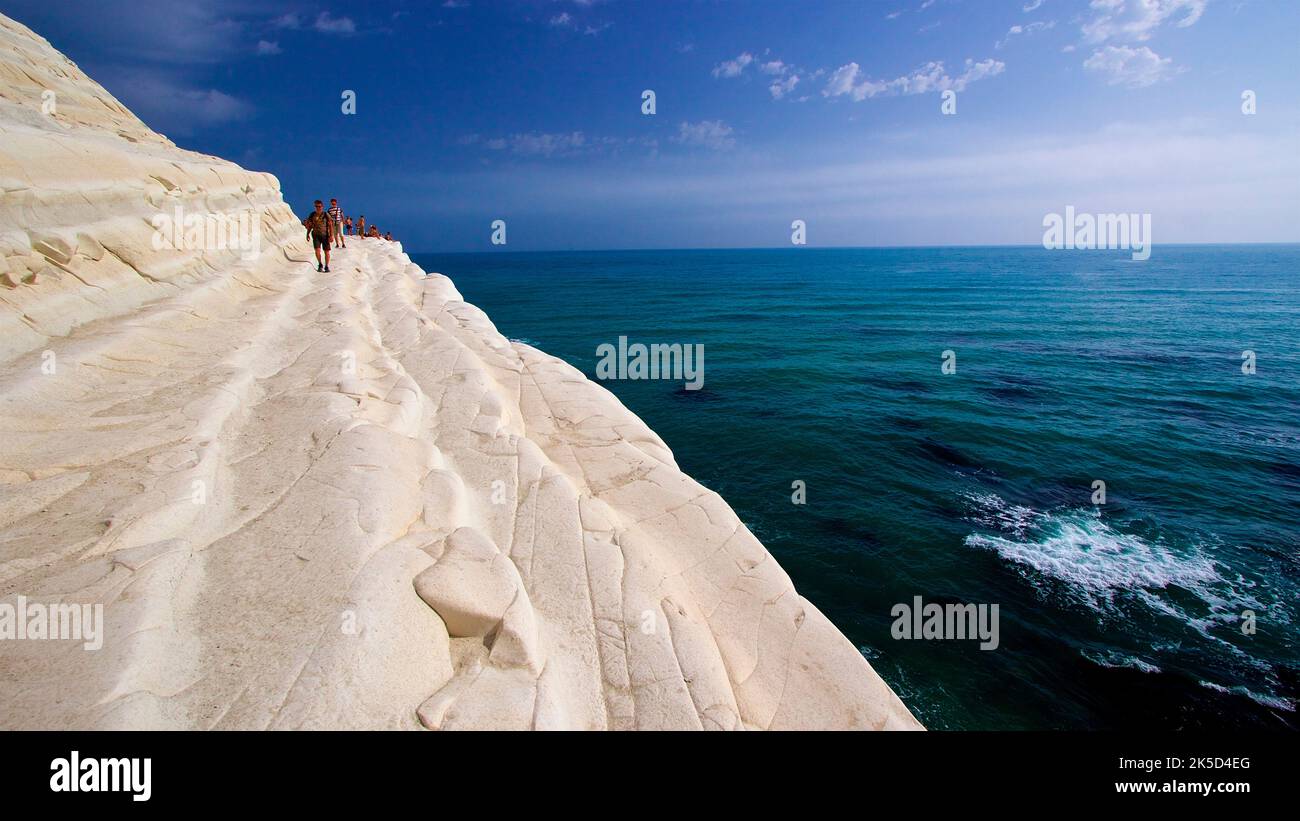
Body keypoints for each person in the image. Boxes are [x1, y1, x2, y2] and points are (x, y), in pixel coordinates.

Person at [302, 200, 332, 272]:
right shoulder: (312, 214)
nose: (318, 208)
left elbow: (330, 225)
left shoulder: (325, 214)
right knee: (317, 250)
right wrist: (307, 234)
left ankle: (327, 266)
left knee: (326, 251)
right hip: (315, 235)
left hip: (325, 235)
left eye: (319, 206)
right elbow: (310, 225)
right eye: (316, 206)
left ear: (322, 206)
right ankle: (320, 264)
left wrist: (331, 235)